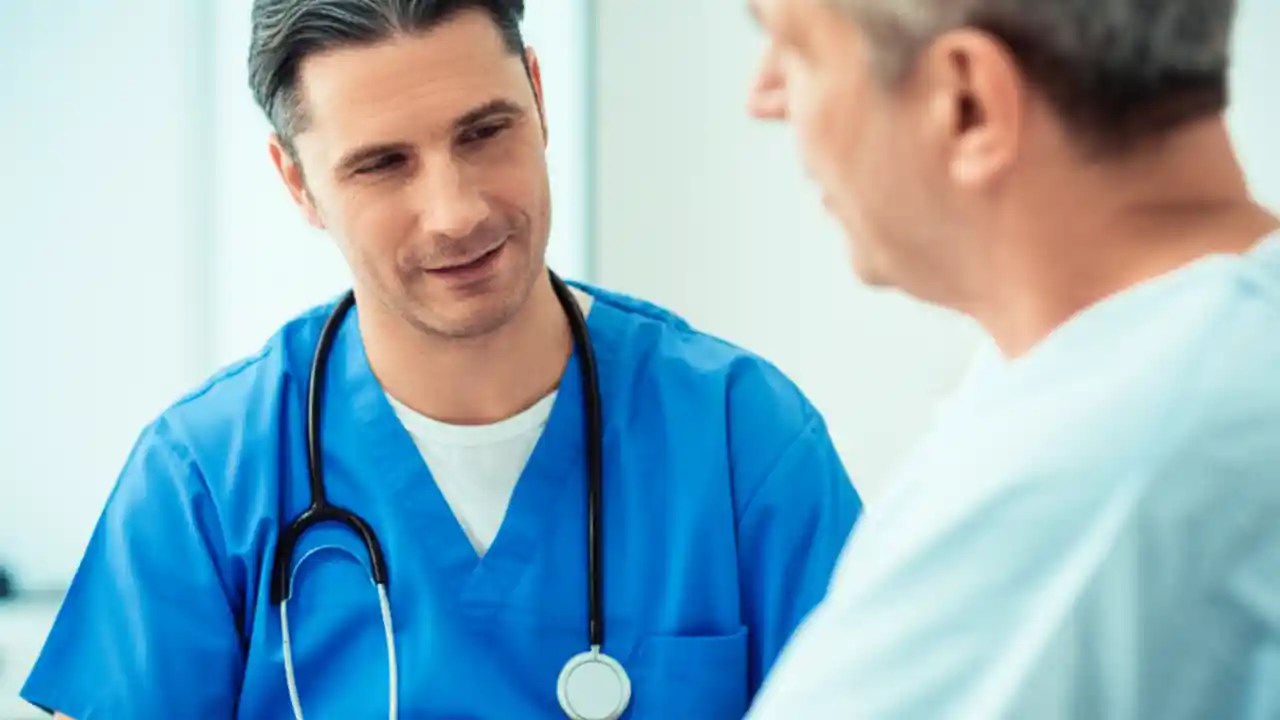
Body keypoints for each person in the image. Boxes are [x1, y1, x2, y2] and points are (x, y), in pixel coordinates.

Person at [20, 2, 861, 718]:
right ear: (297, 183)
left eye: (484, 132)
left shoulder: (742, 440)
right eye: (383, 165)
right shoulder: (202, 482)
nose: (455, 212)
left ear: (536, 92)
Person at [744, 0, 1280, 717]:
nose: (765, 96)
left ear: (966, 103)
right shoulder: (1203, 356)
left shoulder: (1098, 469)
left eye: (797, 50)